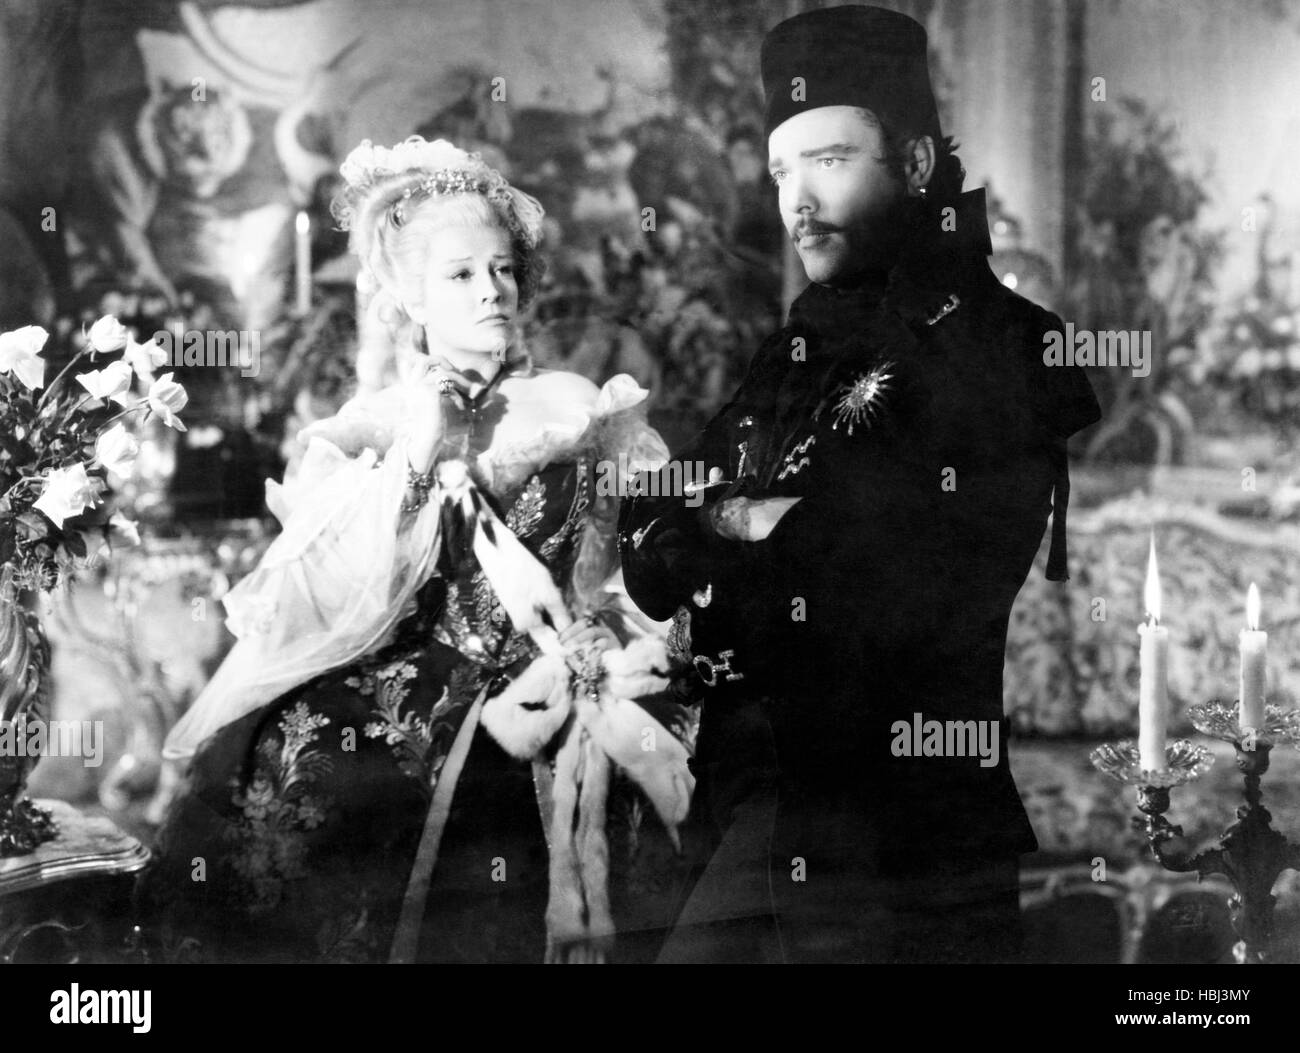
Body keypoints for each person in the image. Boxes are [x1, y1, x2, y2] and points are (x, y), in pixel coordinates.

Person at [618, 5, 1102, 963]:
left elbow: (881, 584)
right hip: (755, 792)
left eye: (829, 160)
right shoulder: (794, 348)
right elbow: (655, 519)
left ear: (917, 166)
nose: (796, 199)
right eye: (781, 169)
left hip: (902, 834)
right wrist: (744, 526)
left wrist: (728, 534)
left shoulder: (1013, 345)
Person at [139, 137, 695, 964]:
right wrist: (416, 451)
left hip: (559, 669)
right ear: (412, 296)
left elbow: (619, 566)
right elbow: (326, 593)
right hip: (423, 668)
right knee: (293, 757)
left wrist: (621, 638)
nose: (492, 291)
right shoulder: (374, 422)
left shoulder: (576, 402)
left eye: (503, 269)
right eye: (462, 274)